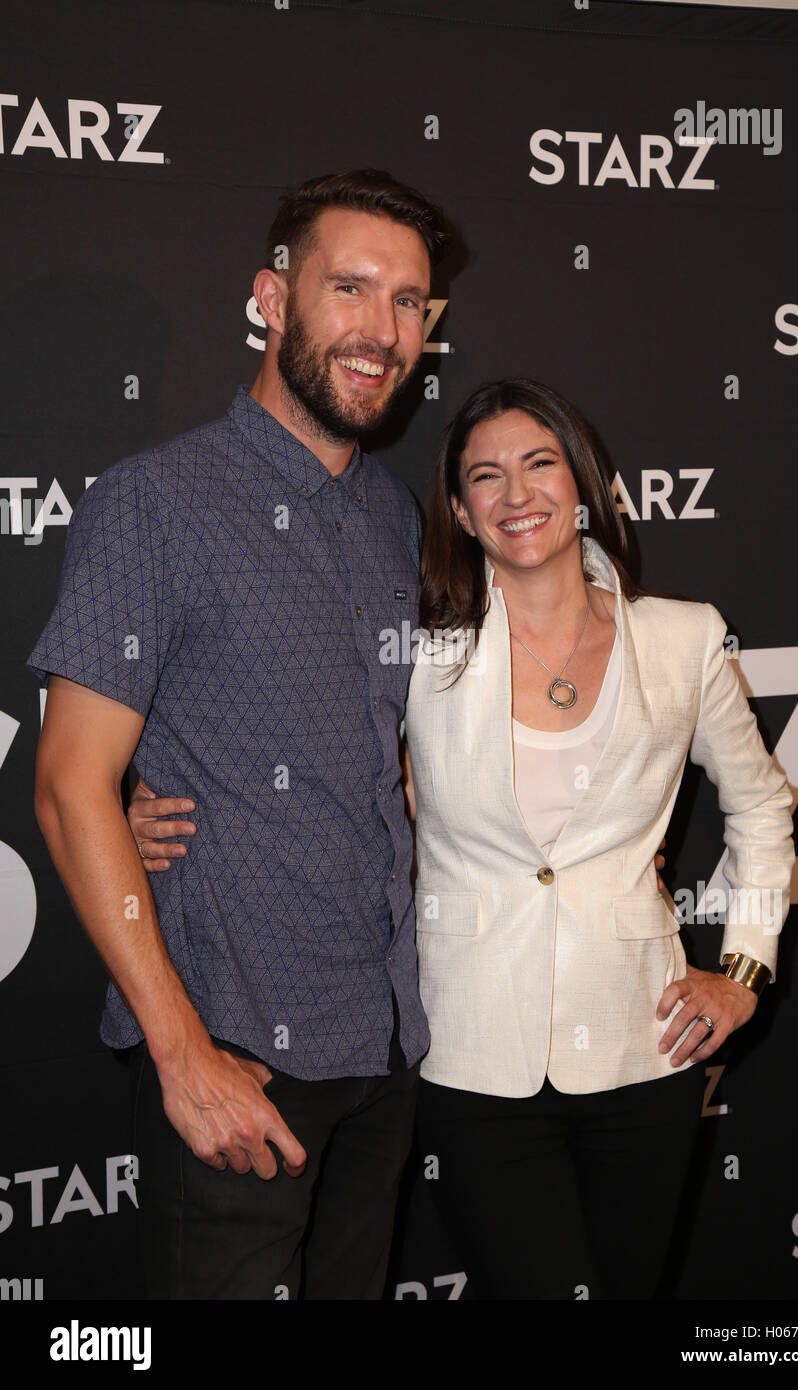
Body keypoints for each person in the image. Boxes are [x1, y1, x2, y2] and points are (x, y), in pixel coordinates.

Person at [130, 378, 795, 1300]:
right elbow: (305, 761)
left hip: (649, 1050)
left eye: (539, 465)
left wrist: (746, 969)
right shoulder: (421, 644)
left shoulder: (684, 638)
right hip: (472, 1057)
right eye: (487, 476)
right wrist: (142, 794)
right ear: (459, 509)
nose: (517, 495)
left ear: (585, 484)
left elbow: (762, 809)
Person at [26, 169, 452, 1300]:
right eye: (349, 288)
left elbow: (389, 765)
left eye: (409, 302)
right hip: (236, 1051)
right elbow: (72, 787)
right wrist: (182, 1055)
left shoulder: (390, 513)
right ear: (270, 297)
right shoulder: (152, 502)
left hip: (385, 1038)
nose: (381, 331)